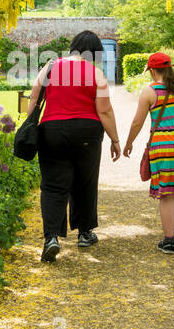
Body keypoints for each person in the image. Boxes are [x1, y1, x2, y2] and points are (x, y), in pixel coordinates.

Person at [26, 30, 121, 262]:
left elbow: (34, 97)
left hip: (52, 130)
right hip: (87, 132)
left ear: (73, 47)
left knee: (52, 186)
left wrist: (30, 127)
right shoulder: (95, 73)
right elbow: (104, 110)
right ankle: (85, 233)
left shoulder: (50, 67)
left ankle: (51, 238)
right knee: (85, 181)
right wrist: (115, 139)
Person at [122, 52, 174, 253]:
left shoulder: (149, 92)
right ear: (170, 68)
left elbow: (137, 122)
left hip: (163, 148)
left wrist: (128, 143)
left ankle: (168, 241)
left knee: (167, 194)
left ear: (151, 70)